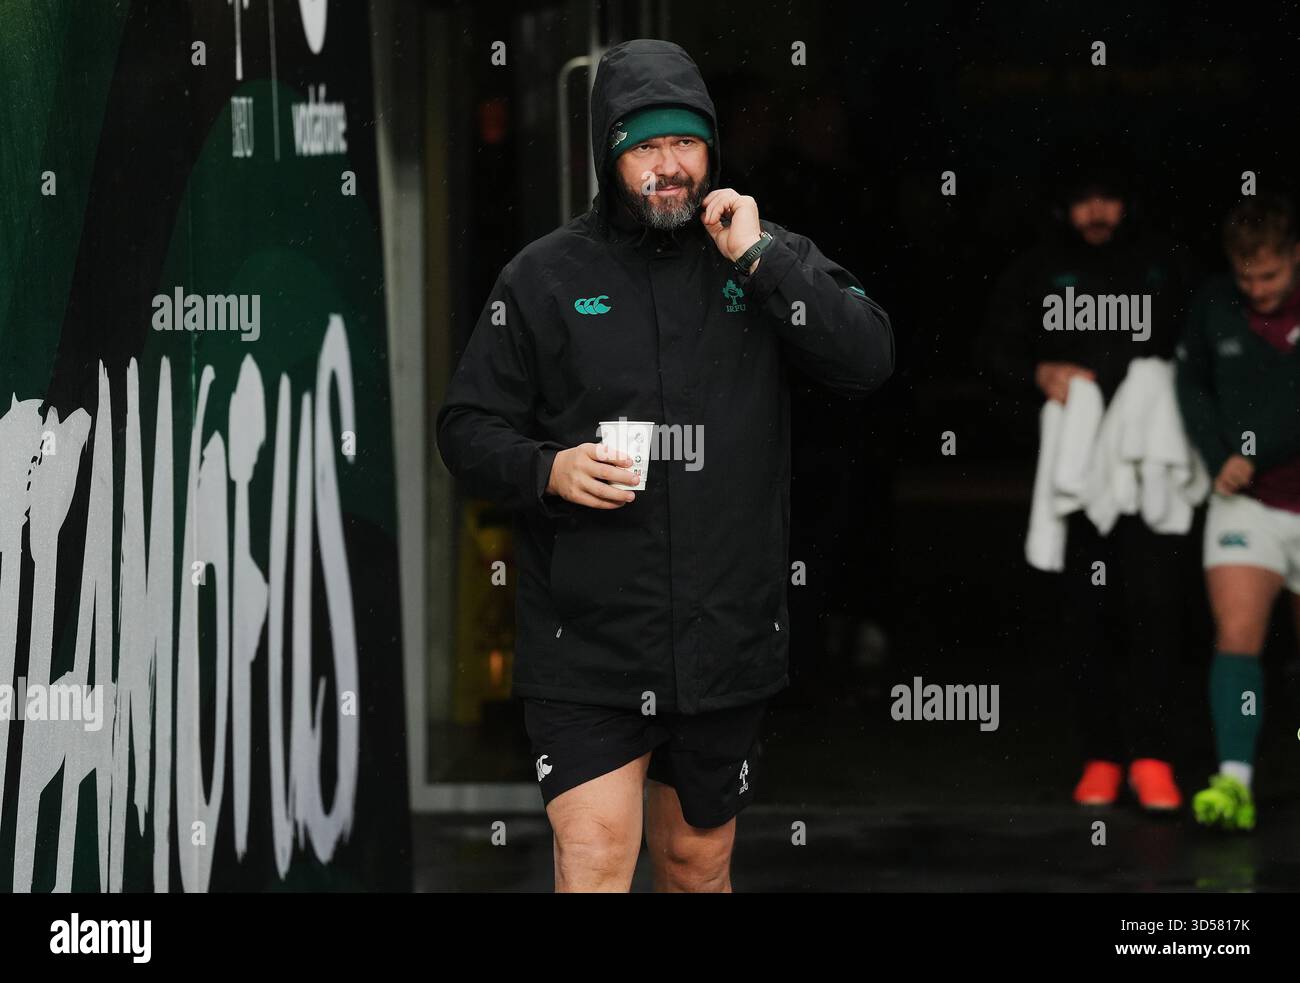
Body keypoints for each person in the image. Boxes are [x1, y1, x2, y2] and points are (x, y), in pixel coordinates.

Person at [435, 38, 893, 891]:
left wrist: (762, 262)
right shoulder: (543, 277)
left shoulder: (761, 256)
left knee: (693, 863)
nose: (669, 166)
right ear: (611, 154)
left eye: (685, 143)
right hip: (587, 638)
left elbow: (867, 358)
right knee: (598, 857)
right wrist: (550, 470)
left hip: (722, 632)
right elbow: (465, 427)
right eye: (646, 146)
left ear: (712, 150)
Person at [979, 159, 1197, 811]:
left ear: (1129, 202)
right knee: (1083, 615)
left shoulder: (1167, 262)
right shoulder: (1038, 266)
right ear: (1063, 206)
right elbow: (992, 351)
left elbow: (1206, 344)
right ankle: (1101, 754)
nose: (1097, 212)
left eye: (1109, 199)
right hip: (1073, 469)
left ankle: (1153, 755)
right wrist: (1037, 372)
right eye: (1085, 201)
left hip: (1149, 464)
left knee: (1157, 606)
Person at [1175, 193, 1300, 832]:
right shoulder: (1213, 305)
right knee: (1237, 637)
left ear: (1295, 257)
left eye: (1270, 275)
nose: (1257, 288)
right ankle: (1234, 785)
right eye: (1246, 275)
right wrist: (1216, 451)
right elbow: (1190, 382)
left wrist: (1263, 444)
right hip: (1245, 504)